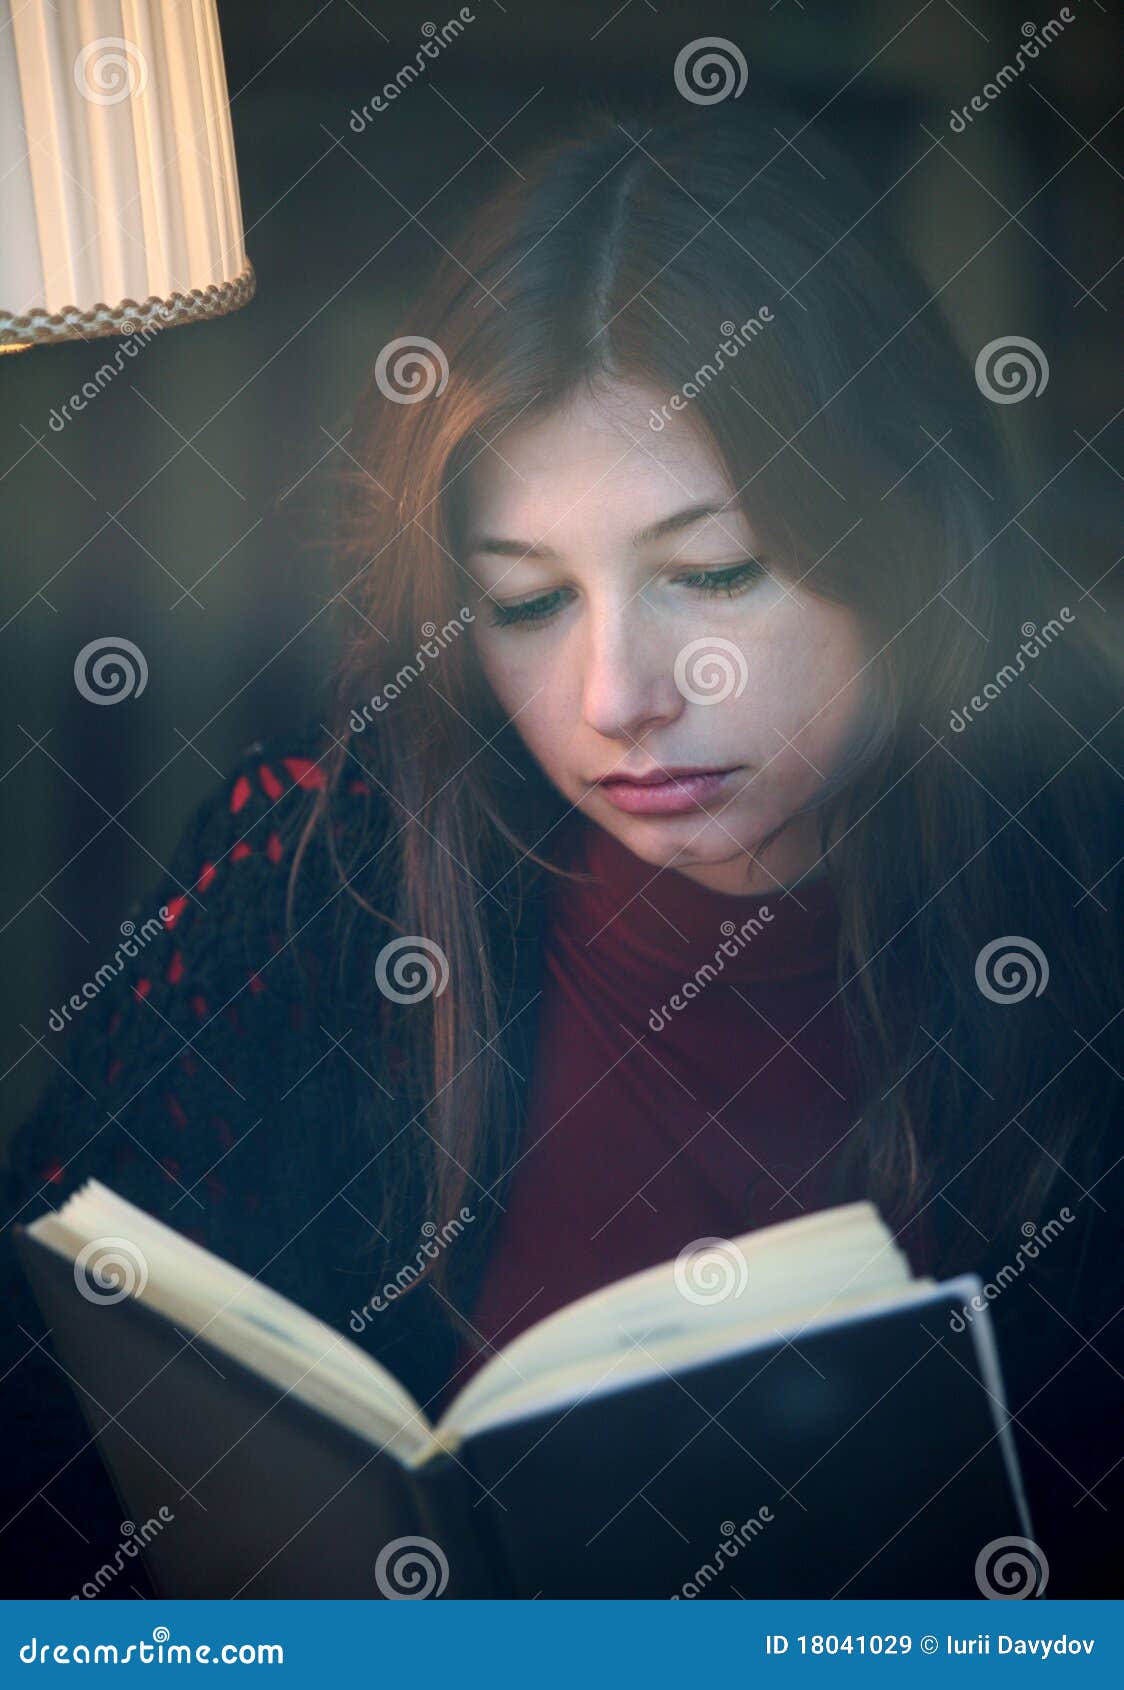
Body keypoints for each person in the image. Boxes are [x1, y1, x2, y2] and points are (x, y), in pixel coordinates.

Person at [2, 98, 1120, 1599]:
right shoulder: (308, 889)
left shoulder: (1085, 901)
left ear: (909, 529)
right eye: (527, 603)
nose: (617, 701)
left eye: (713, 574)